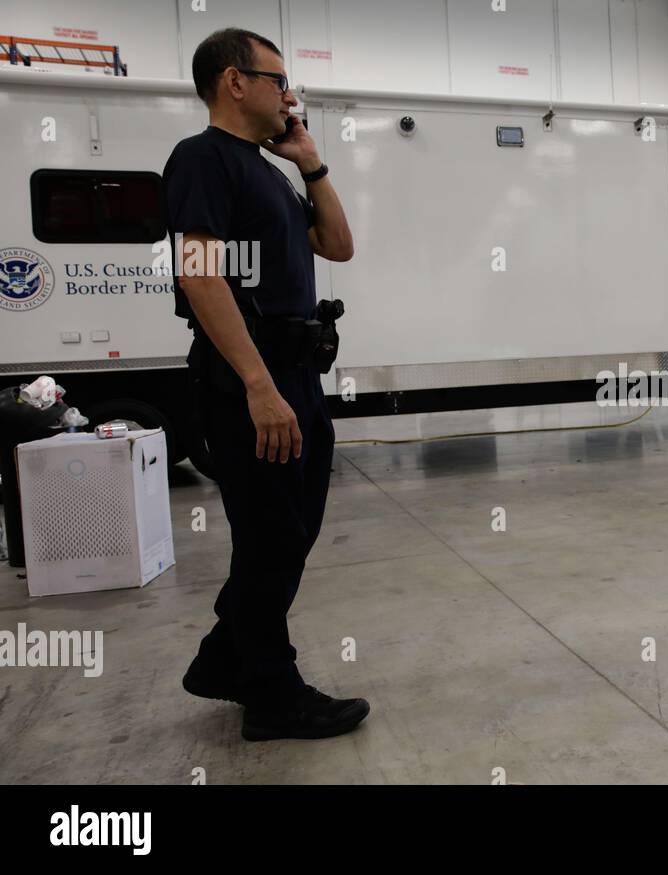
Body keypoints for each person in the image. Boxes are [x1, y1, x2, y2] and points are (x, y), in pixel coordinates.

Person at [166, 27, 367, 741]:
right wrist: (256, 383)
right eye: (277, 80)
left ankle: (228, 659)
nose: (289, 95)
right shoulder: (202, 159)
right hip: (252, 378)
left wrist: (312, 164)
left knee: (290, 532)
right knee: (271, 537)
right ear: (234, 81)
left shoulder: (272, 169)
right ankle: (272, 693)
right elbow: (198, 271)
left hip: (297, 373)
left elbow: (338, 244)